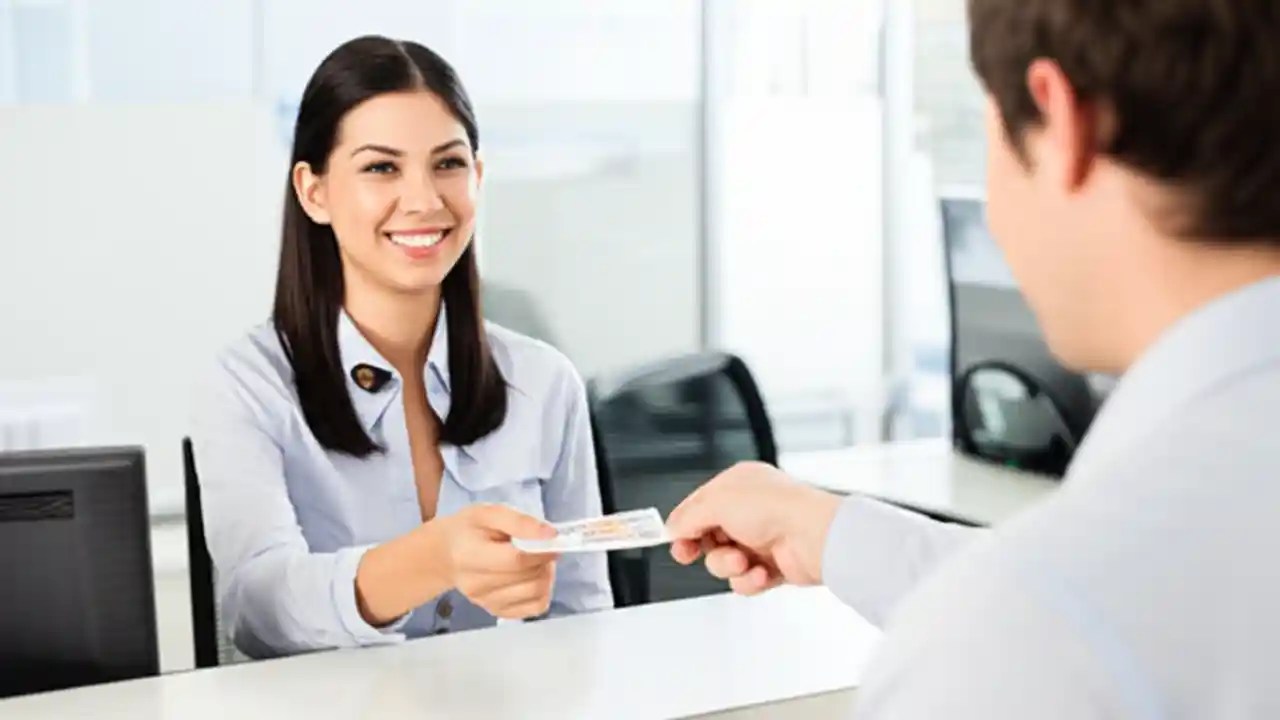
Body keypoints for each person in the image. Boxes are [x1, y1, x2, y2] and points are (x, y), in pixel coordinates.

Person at [667, 0, 1280, 716]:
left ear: (1060, 124)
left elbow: (1063, 611)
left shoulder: (1012, 639)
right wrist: (838, 535)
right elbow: (1166, 586)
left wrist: (983, 614)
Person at [191, 36, 611, 659]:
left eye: (447, 164)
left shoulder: (543, 382)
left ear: (478, 175)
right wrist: (432, 560)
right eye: (381, 167)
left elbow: (584, 621)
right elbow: (259, 610)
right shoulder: (248, 383)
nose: (424, 200)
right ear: (314, 191)